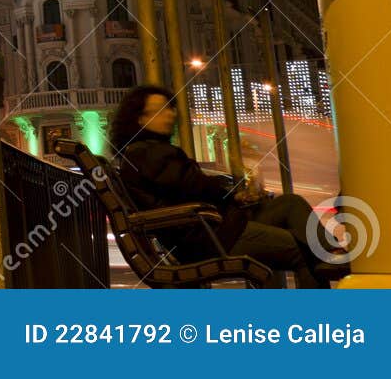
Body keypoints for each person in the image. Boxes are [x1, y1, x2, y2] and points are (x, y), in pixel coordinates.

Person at [110, 85, 345, 287]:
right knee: (301, 249)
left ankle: (330, 252)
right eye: (160, 111)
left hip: (216, 226)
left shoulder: (147, 151)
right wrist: (232, 194)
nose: (170, 115)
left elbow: (190, 185)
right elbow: (194, 187)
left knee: (289, 204)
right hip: (211, 235)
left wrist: (235, 197)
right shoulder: (147, 153)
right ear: (140, 119)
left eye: (170, 108)